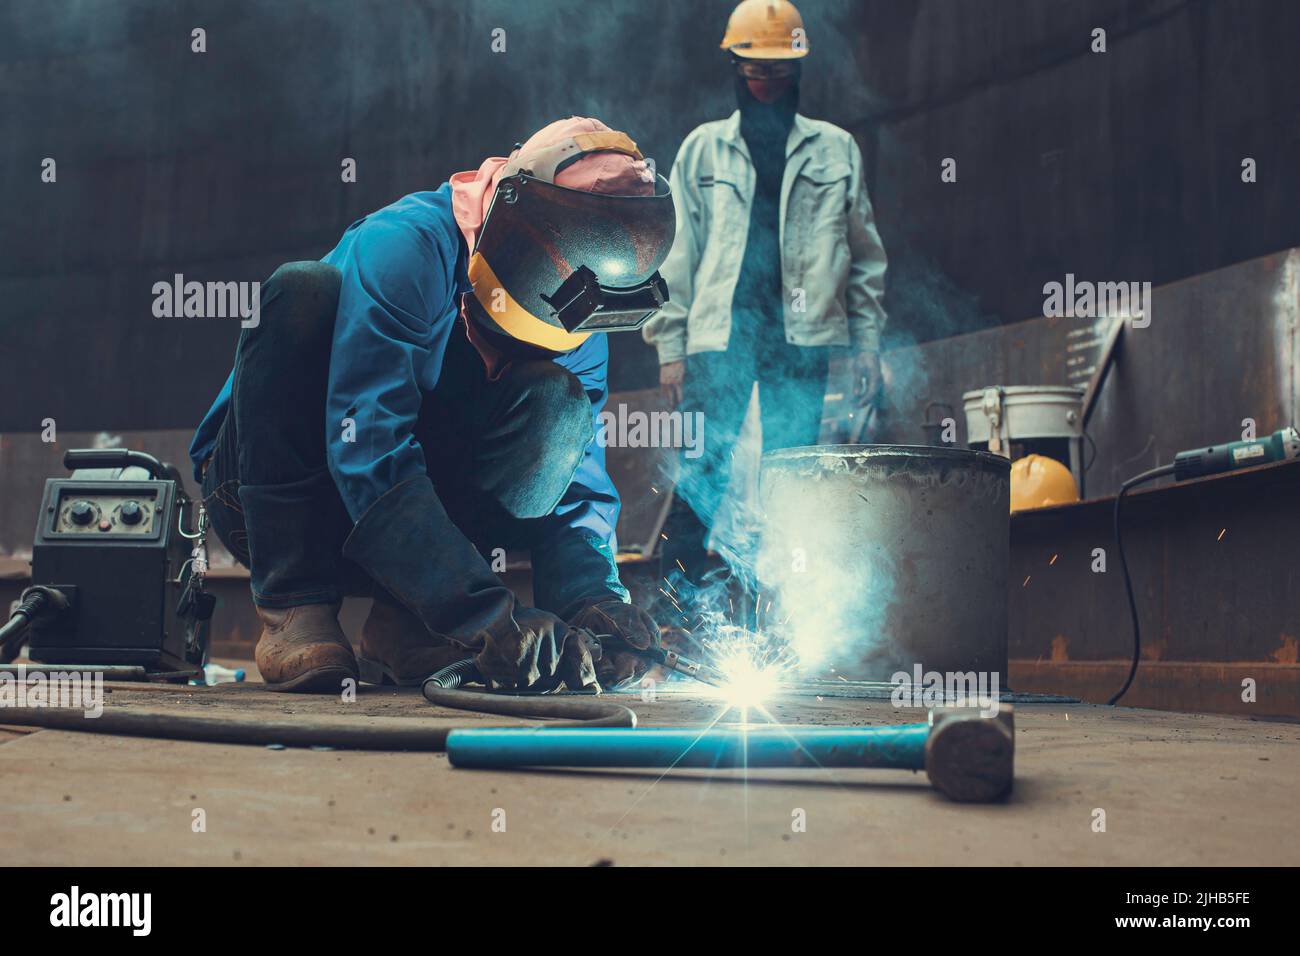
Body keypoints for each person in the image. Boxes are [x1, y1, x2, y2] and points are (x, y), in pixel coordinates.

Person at [190, 117, 673, 693]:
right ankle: (294, 604)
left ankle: (408, 624)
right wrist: (481, 613)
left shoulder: (582, 311)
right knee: (300, 292)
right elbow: (367, 445)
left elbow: (578, 480)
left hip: (408, 522)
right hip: (267, 499)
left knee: (558, 403)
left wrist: (591, 597)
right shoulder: (407, 246)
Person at [643, 0, 888, 608]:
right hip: (719, 338)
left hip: (802, 338)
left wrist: (868, 347)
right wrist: (671, 348)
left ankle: (783, 612)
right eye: (757, 69)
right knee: (700, 472)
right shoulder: (702, 152)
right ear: (734, 64)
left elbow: (864, 259)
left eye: (780, 71)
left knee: (791, 478)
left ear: (798, 70)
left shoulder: (837, 150)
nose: (768, 82)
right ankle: (675, 612)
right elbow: (676, 257)